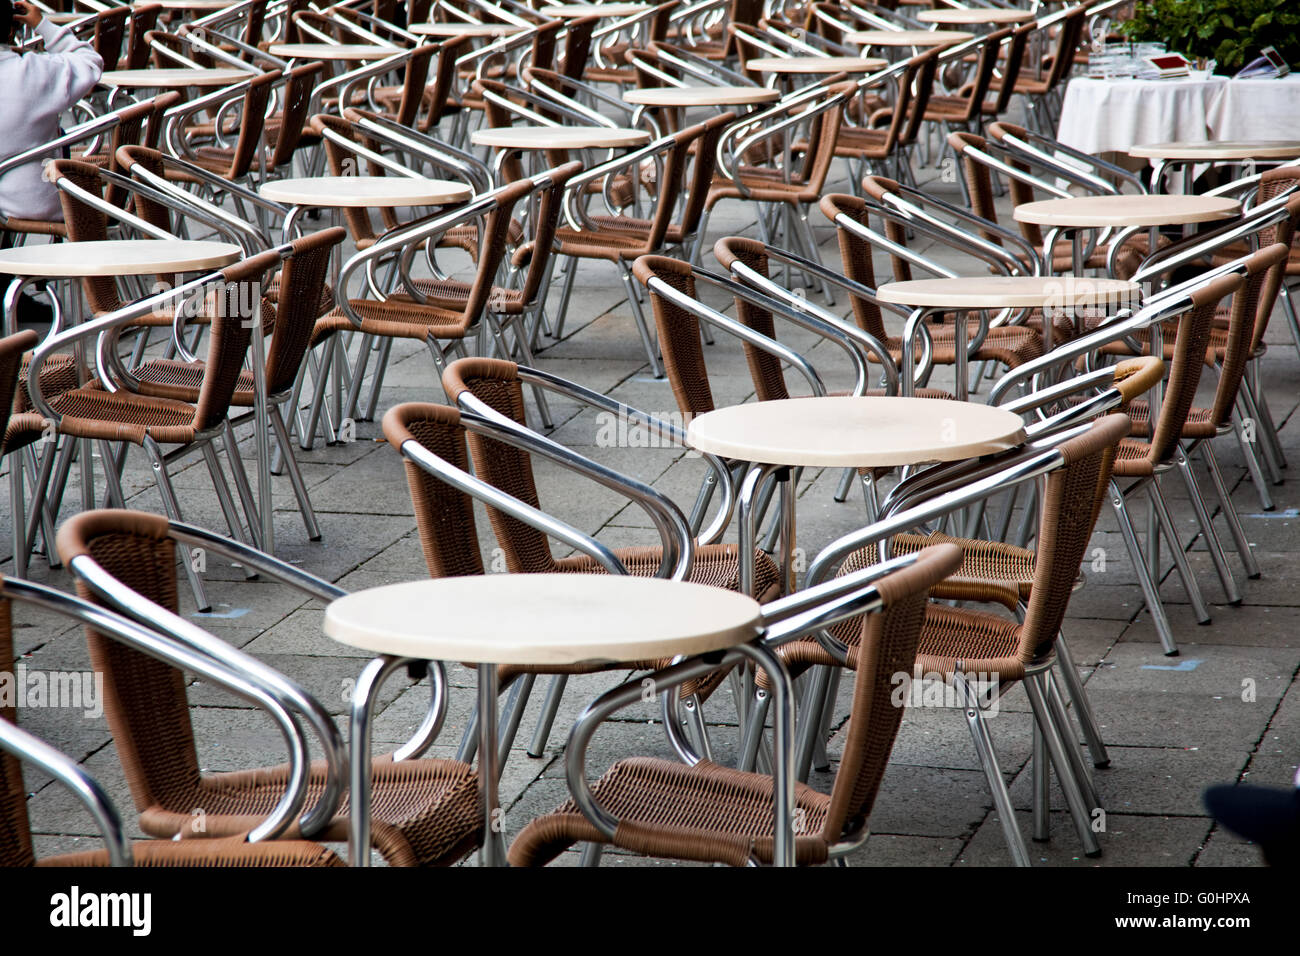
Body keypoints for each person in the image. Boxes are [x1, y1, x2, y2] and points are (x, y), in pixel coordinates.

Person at [0, 0, 104, 226]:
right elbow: (91, 62)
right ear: (12, 29)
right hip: (37, 198)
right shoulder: (37, 71)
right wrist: (42, 25)